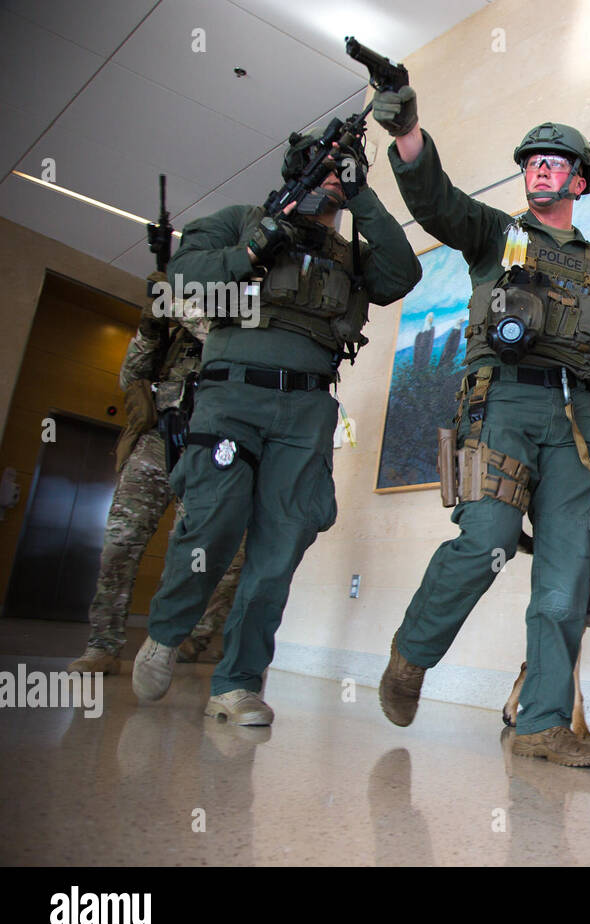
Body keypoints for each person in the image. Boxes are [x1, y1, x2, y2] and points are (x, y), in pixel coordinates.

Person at [371, 86, 590, 766]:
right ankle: (412, 653)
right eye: (532, 161)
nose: (539, 169)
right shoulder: (497, 236)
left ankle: (542, 723)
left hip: (583, 429)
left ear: (579, 179)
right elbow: (437, 203)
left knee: (568, 579)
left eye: (554, 161)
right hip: (500, 409)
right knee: (486, 541)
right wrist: (410, 133)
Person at [131, 124, 421, 725]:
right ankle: (164, 631)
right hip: (231, 398)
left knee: (278, 549)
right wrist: (254, 248)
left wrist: (362, 194)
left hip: (308, 409)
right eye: (325, 169)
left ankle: (236, 684)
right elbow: (180, 280)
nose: (333, 183)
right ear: (295, 170)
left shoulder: (352, 253)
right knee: (212, 523)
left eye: (344, 172)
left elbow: (402, 276)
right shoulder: (239, 220)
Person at [68, 299, 246, 675]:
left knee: (197, 555)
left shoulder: (245, 322)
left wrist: (182, 305)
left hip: (213, 448)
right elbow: (129, 377)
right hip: (158, 438)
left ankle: (182, 640)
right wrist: (150, 329)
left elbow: (226, 346)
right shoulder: (178, 332)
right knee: (120, 541)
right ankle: (103, 646)